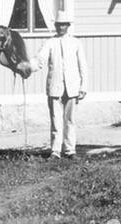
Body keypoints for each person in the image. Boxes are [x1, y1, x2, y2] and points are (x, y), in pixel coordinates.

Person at [36, 10, 88, 158]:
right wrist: (28, 67)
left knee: (70, 120)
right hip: (55, 87)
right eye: (59, 25)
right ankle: (55, 151)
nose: (61, 27)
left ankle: (70, 150)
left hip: (72, 88)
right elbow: (40, 59)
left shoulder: (76, 43)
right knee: (55, 120)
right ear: (56, 26)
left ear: (68, 26)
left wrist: (83, 87)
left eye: (64, 25)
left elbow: (83, 66)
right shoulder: (50, 42)